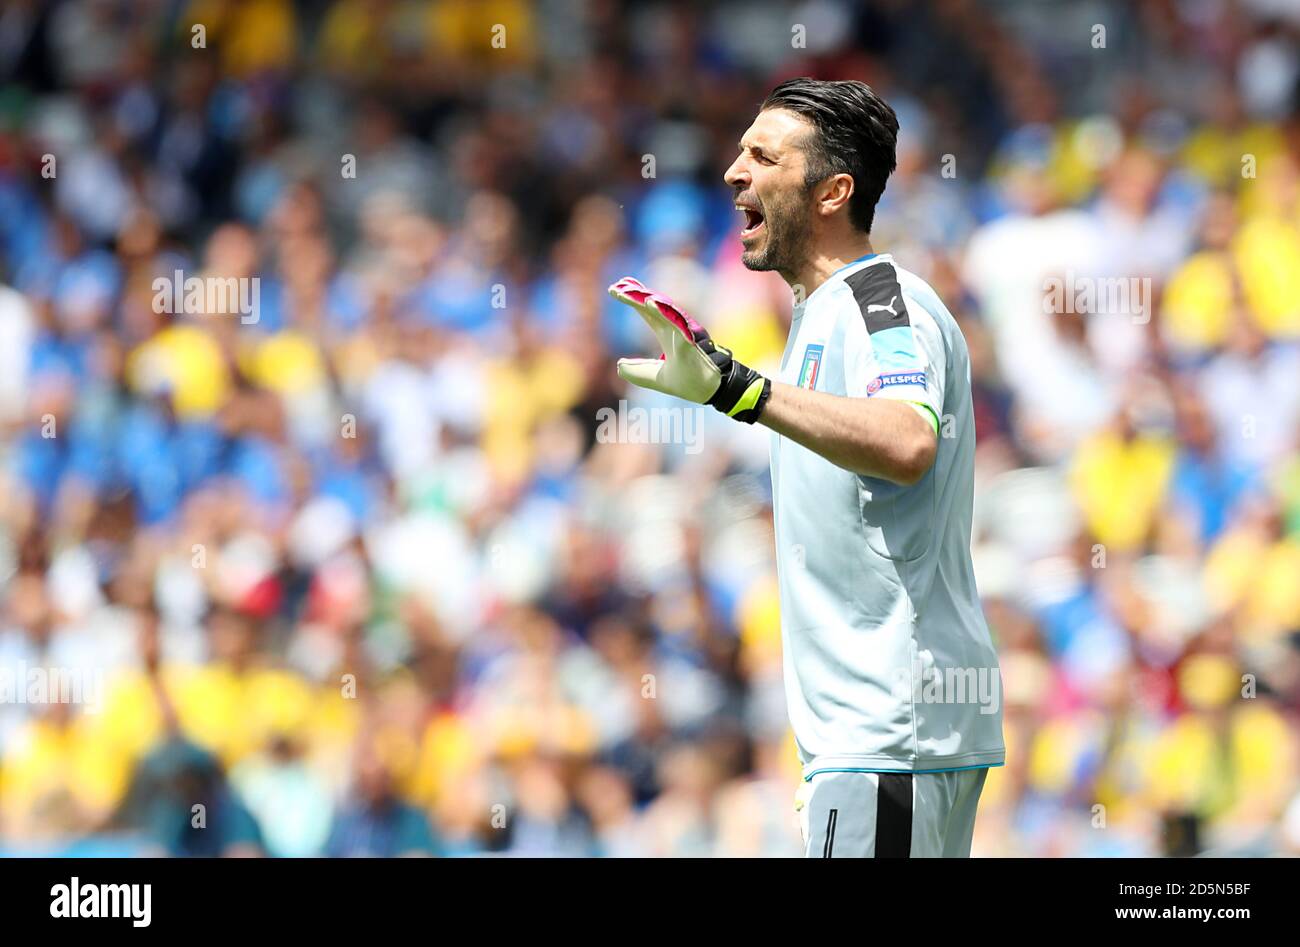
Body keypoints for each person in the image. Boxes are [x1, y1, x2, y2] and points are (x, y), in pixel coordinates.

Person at [608, 78, 1004, 858]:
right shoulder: (821, 316)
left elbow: (908, 439)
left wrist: (740, 390)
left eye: (763, 155)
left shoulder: (884, 301)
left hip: (891, 731)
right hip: (868, 744)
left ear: (834, 191)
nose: (733, 171)